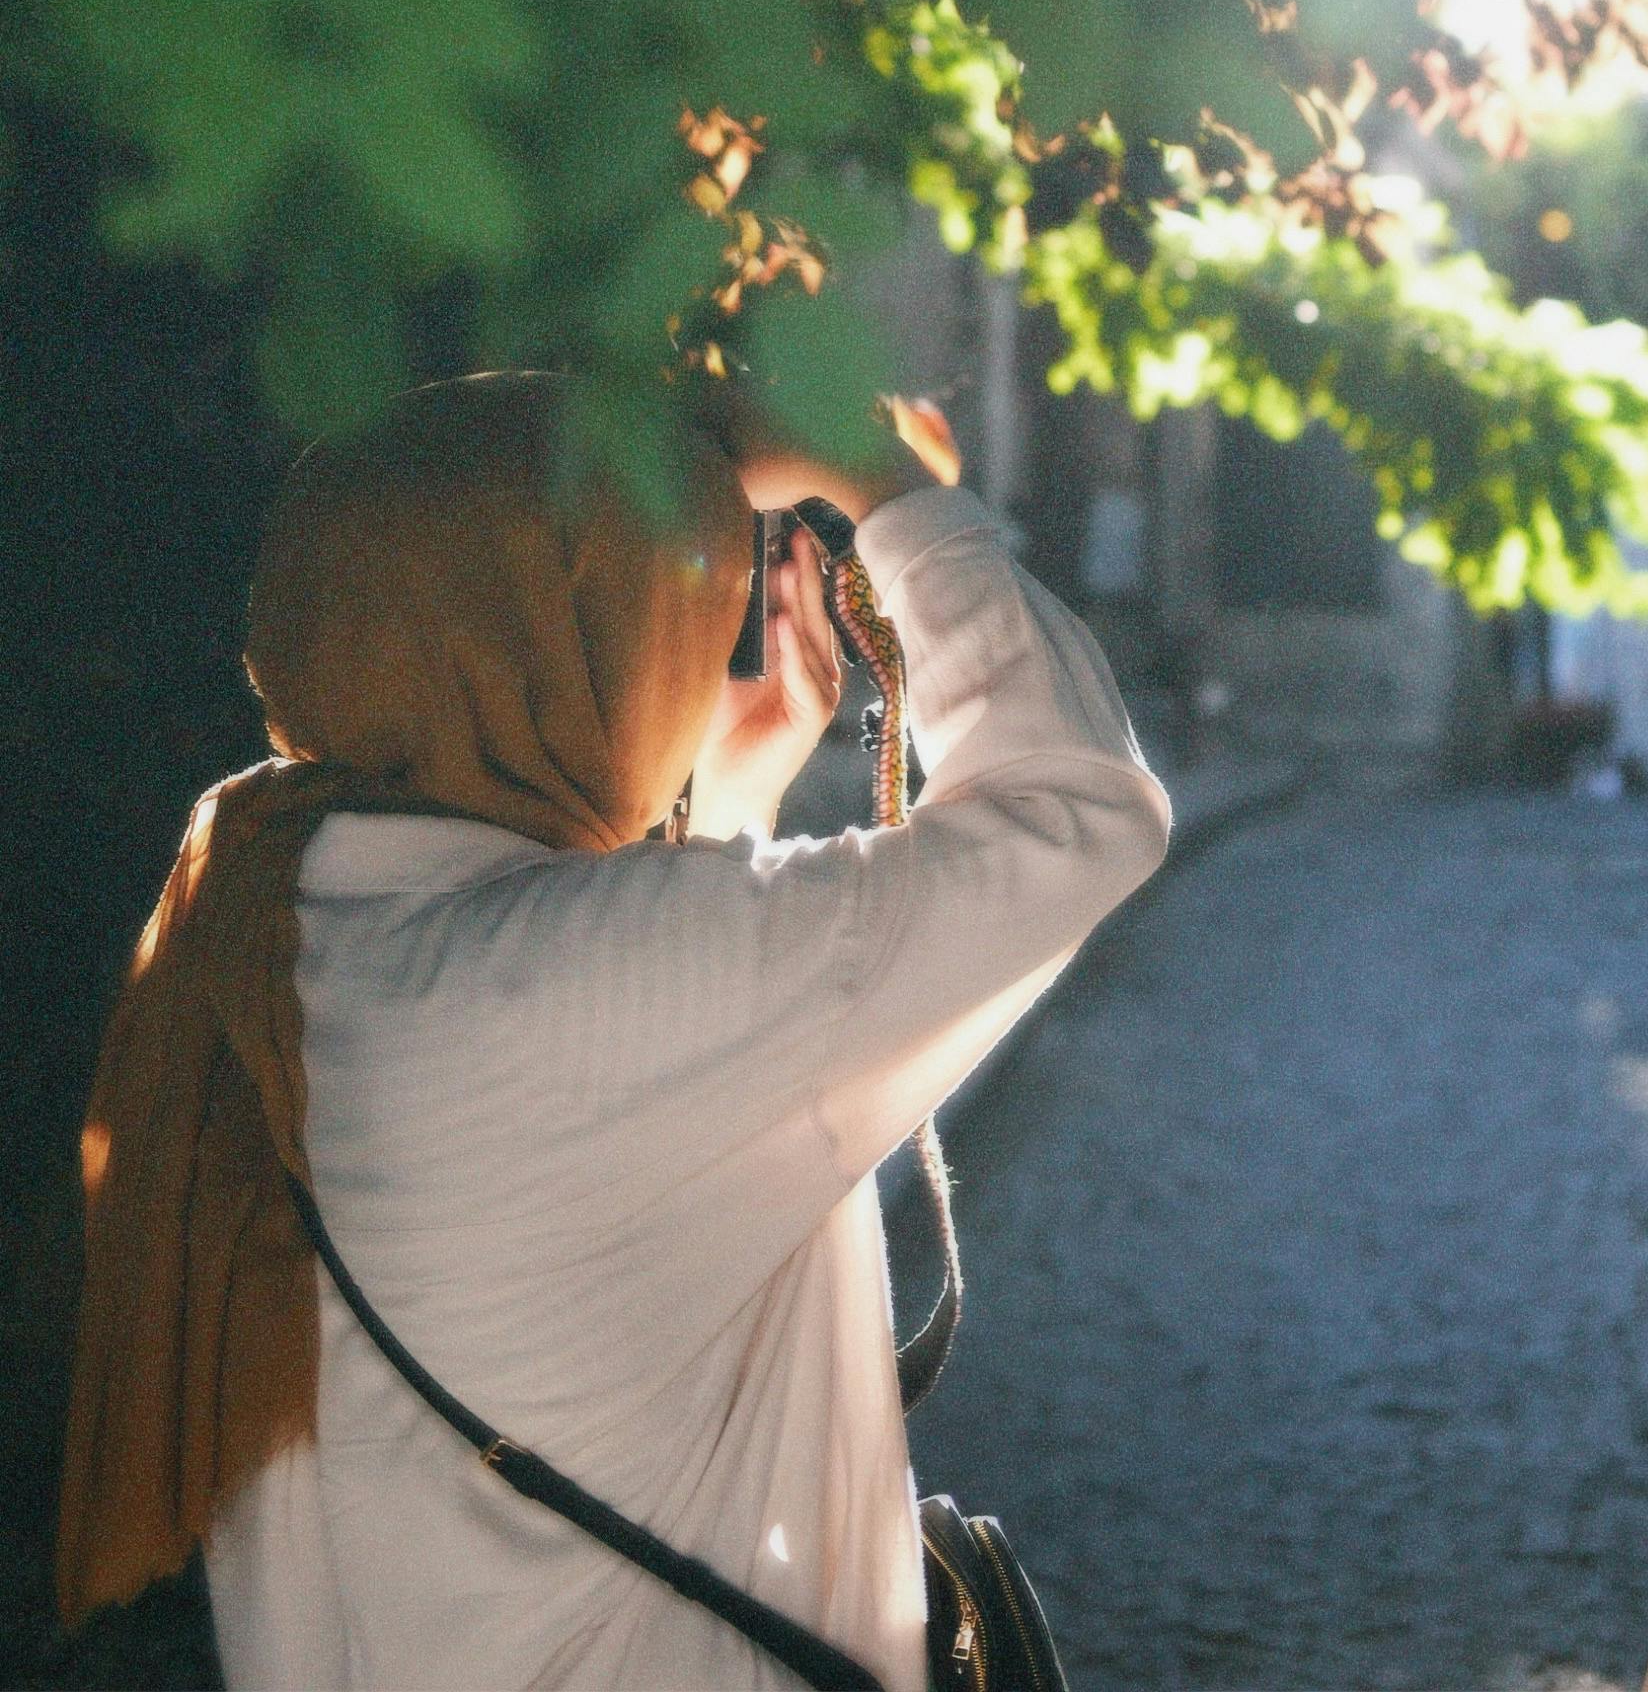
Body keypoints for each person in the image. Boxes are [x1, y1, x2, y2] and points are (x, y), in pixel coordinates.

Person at [57, 370, 1170, 1691]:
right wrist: (903, 502)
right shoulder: (584, 979)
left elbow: (606, 1182)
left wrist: (723, 820)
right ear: (556, 644)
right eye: (667, 604)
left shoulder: (261, 922)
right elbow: (1079, 819)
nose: (697, 642)